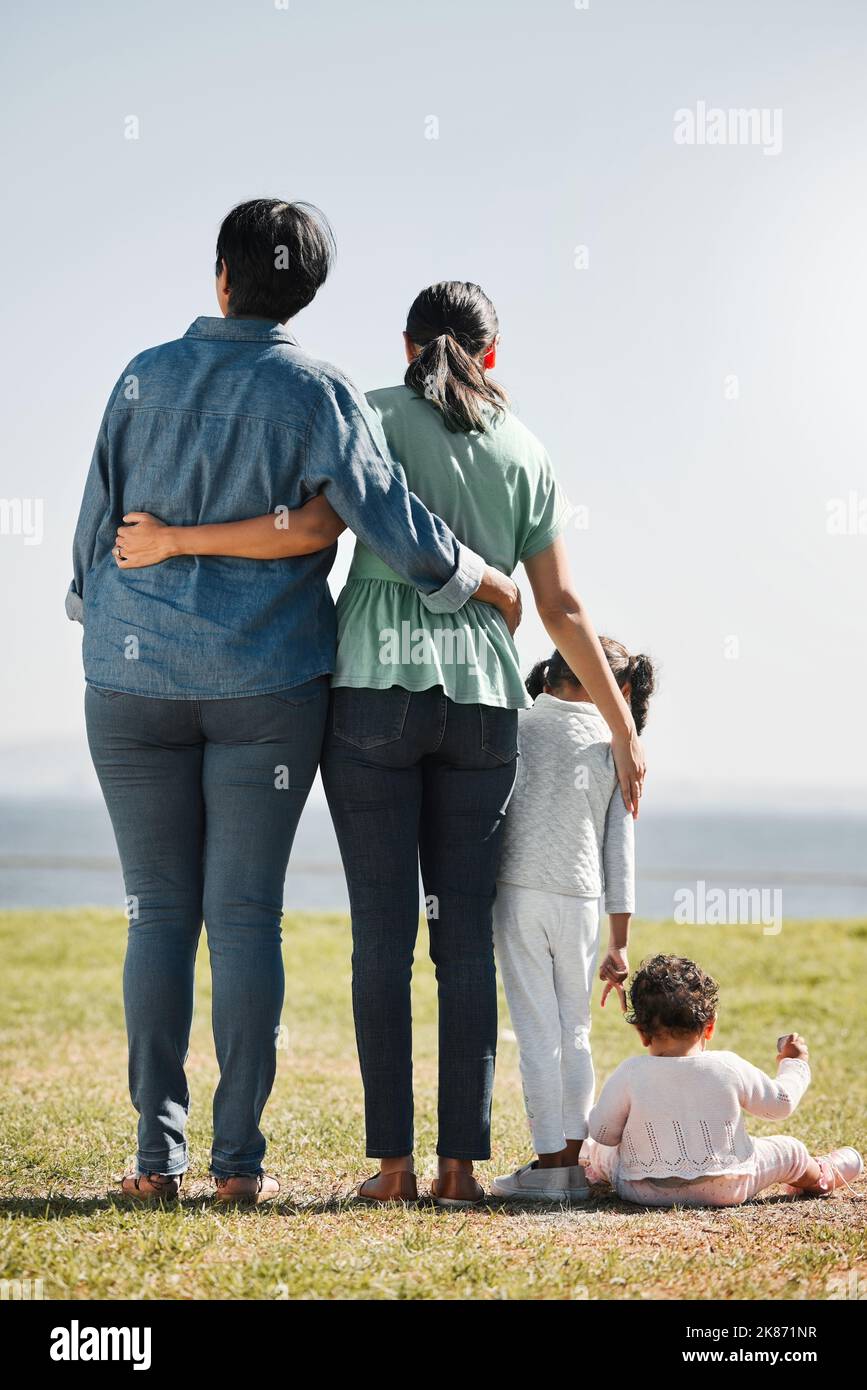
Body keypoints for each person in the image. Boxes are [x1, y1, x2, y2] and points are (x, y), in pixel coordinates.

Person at [116, 280, 647, 1206]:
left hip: (370, 697)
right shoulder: (525, 448)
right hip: (481, 708)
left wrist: (176, 548)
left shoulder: (367, 414)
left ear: (406, 344)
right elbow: (559, 608)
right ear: (491, 355)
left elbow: (311, 529)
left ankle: (393, 1169)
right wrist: (622, 726)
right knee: (464, 948)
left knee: (381, 940)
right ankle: (457, 1170)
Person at [67, 201, 519, 1204]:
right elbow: (391, 526)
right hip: (268, 686)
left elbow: (94, 530)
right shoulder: (317, 389)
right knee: (243, 919)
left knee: (156, 914)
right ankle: (235, 1170)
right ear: (304, 291)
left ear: (220, 275)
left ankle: (155, 1158)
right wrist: (479, 580)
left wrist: (105, 611)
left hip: (130, 681)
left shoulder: (140, 376)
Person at [490, 640, 655, 1202]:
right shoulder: (618, 746)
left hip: (518, 893)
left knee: (536, 1033)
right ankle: (574, 1163)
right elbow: (620, 852)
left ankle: (549, 1166)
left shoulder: (515, 720)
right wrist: (621, 943)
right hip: (583, 903)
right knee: (575, 1032)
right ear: (619, 690)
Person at [581, 954, 863, 1206]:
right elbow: (781, 1105)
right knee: (790, 1150)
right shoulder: (727, 1066)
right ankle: (820, 1176)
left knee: (602, 1151)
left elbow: (603, 1133)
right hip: (728, 1185)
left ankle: (590, 1169)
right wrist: (794, 1064)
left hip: (642, 1190)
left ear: (642, 1032)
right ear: (710, 1026)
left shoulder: (630, 1072)